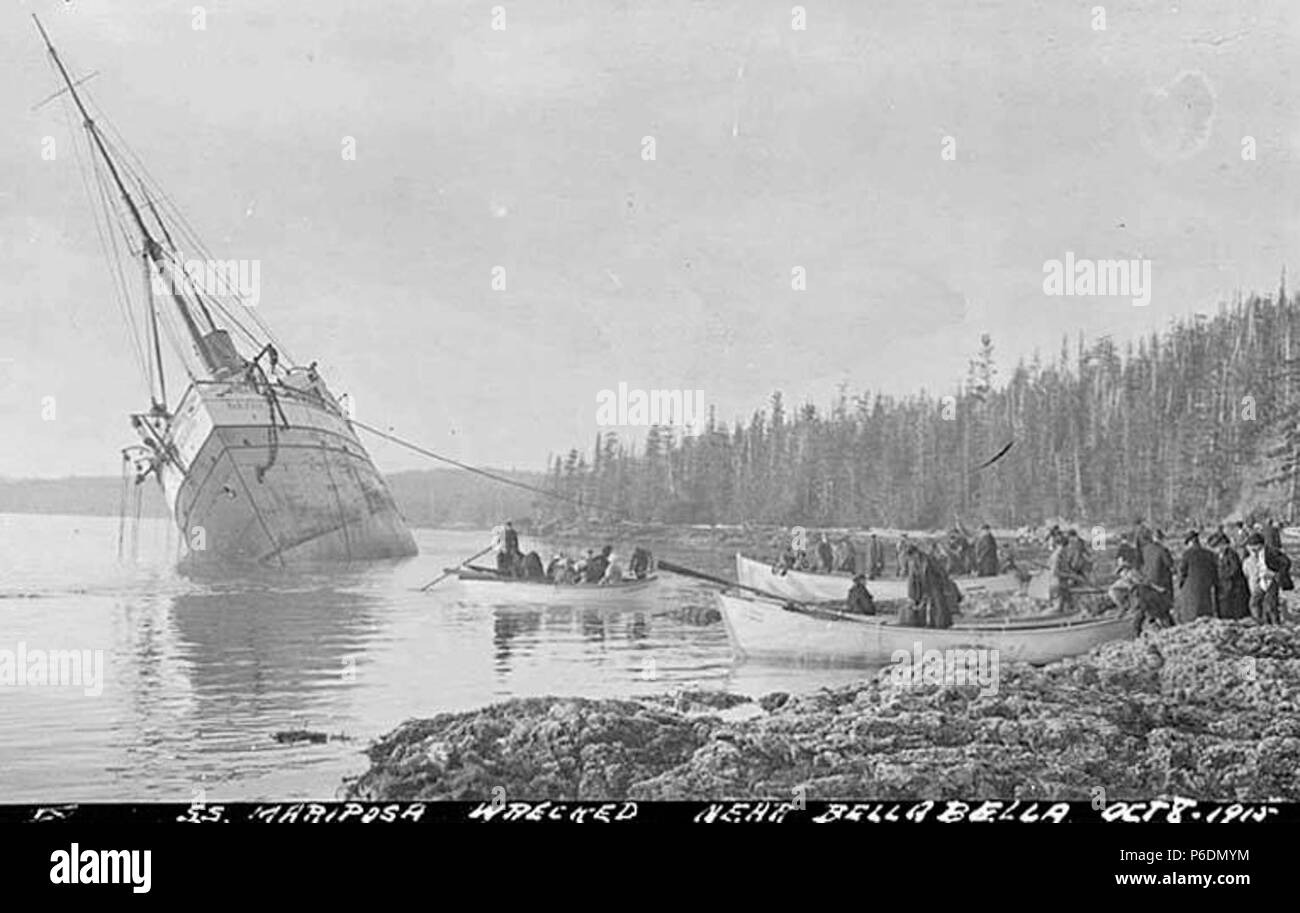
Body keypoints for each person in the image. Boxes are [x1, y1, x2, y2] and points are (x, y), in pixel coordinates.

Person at [902, 544, 957, 629]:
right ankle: (928, 623)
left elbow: (940, 571)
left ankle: (940, 624)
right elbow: (912, 579)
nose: (912, 558)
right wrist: (912, 595)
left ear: (916, 552)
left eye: (913, 556)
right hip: (923, 587)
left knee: (938, 606)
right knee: (925, 607)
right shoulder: (912, 563)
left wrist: (944, 584)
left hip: (934, 585)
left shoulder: (928, 559)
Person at [1175, 531, 1218, 622]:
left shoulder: (1187, 554)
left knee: (1191, 616)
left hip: (1191, 589)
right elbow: (1214, 571)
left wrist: (1180, 584)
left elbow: (1182, 572)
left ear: (1190, 542)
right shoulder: (1209, 554)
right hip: (1206, 588)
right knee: (1205, 614)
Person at [1242, 533, 1283, 624]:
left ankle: (1274, 626)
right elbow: (1247, 572)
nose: (1252, 549)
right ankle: (1260, 624)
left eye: (1254, 547)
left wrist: (1275, 573)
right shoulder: (1250, 559)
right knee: (1255, 603)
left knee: (1270, 606)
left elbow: (1285, 563)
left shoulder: (1271, 552)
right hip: (1259, 583)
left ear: (1260, 545)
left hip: (1270, 582)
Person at [1208, 531, 1249, 620]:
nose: (1216, 550)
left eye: (1217, 547)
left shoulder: (1231, 554)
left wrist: (1222, 576)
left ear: (1223, 544)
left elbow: (1235, 569)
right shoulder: (1218, 556)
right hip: (1223, 589)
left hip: (1233, 589)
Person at [1140, 528, 1175, 619]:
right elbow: (1170, 564)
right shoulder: (1162, 550)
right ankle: (1168, 612)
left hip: (1148, 580)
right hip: (1160, 581)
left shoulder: (1145, 549)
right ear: (1161, 538)